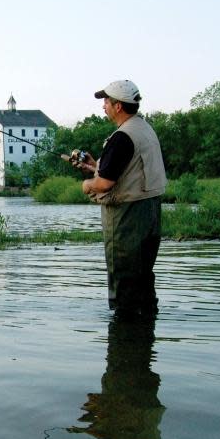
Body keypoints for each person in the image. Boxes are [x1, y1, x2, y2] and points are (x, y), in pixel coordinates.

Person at [70, 80, 167, 318]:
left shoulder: (122, 137)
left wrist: (86, 185)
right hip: (150, 212)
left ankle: (124, 344)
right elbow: (129, 170)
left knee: (123, 281)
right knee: (143, 278)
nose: (103, 106)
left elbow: (104, 184)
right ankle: (144, 340)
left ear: (118, 106)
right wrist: (96, 166)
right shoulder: (144, 128)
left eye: (106, 101)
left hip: (127, 218)